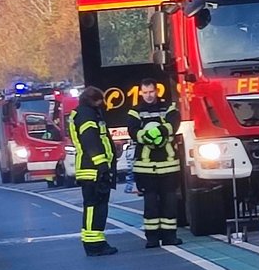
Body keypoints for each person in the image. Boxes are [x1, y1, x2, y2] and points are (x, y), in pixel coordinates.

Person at [128, 79, 182, 247]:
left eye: (151, 92)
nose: (148, 95)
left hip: (169, 165)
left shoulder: (168, 108)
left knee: (170, 203)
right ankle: (152, 238)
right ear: (141, 93)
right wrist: (152, 137)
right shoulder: (135, 112)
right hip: (145, 167)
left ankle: (169, 237)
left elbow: (174, 124)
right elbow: (133, 132)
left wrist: (157, 132)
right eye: (145, 93)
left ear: (156, 91)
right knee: (150, 204)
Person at [70, 91, 120, 256]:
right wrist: (102, 165)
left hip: (92, 169)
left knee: (96, 206)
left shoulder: (86, 113)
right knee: (94, 206)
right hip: (93, 170)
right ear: (93, 100)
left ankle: (96, 241)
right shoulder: (87, 115)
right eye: (100, 101)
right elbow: (90, 140)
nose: (103, 103)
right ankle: (93, 244)